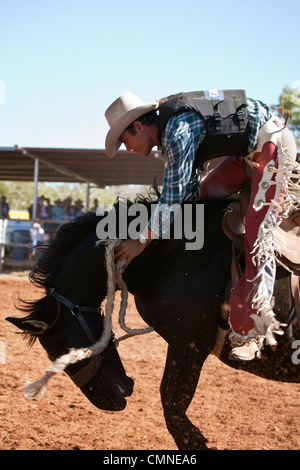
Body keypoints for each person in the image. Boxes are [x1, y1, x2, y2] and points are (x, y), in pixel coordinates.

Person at [104, 90, 299, 361]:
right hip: (247, 152)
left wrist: (141, 239)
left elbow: (172, 197)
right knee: (205, 195)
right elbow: (185, 191)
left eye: (125, 140)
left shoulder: (177, 131)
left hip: (272, 147)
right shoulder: (173, 128)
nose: (126, 147)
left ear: (138, 126)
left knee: (258, 234)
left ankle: (253, 329)